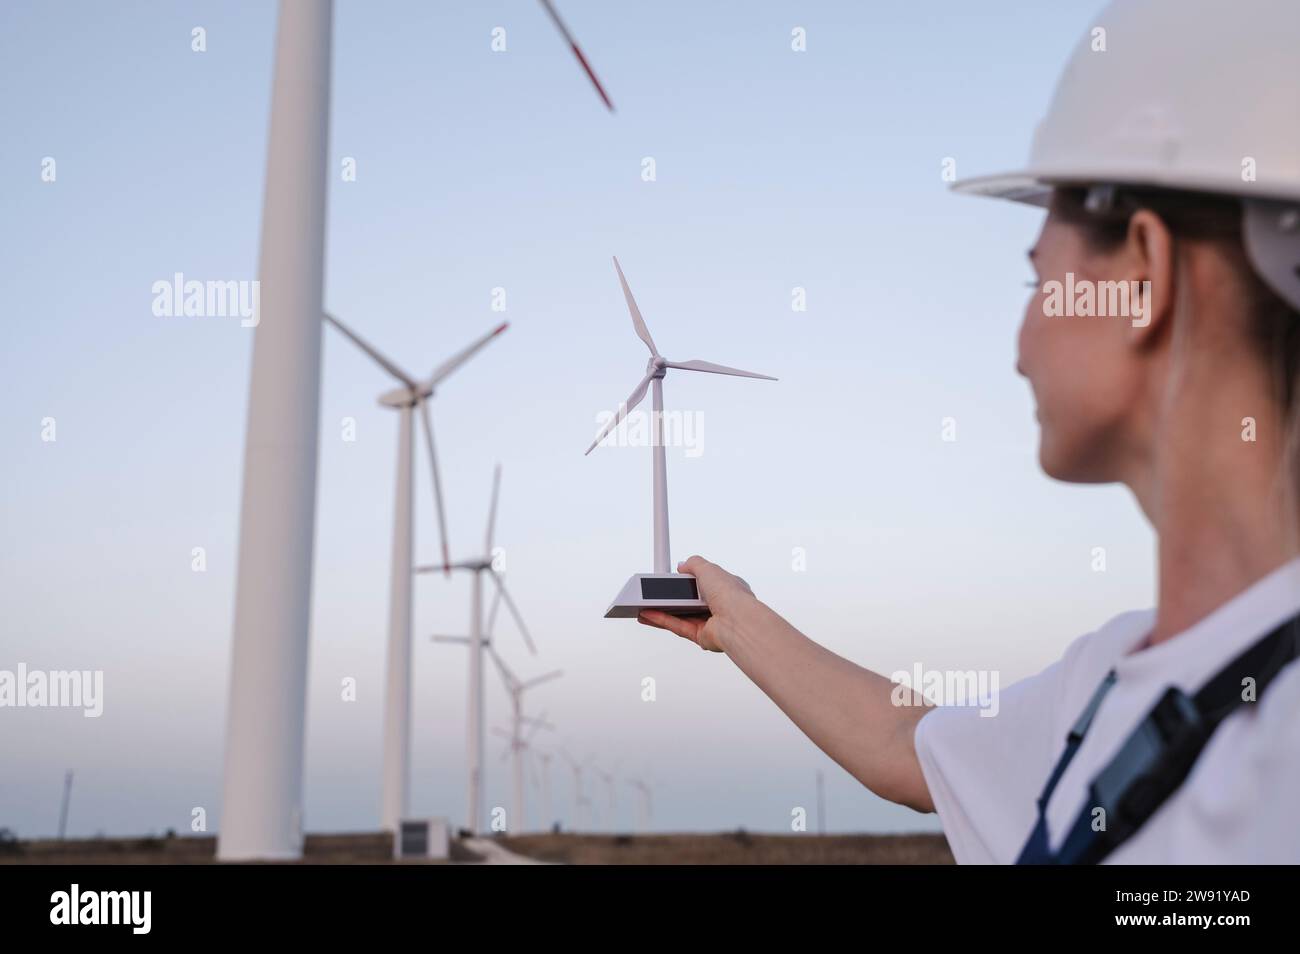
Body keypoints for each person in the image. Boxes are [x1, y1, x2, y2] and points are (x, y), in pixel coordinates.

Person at [637, 0, 1300, 863]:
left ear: (1143, 273)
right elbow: (907, 749)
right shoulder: (1108, 681)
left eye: (1036, 283)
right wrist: (739, 621)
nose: (1018, 347)